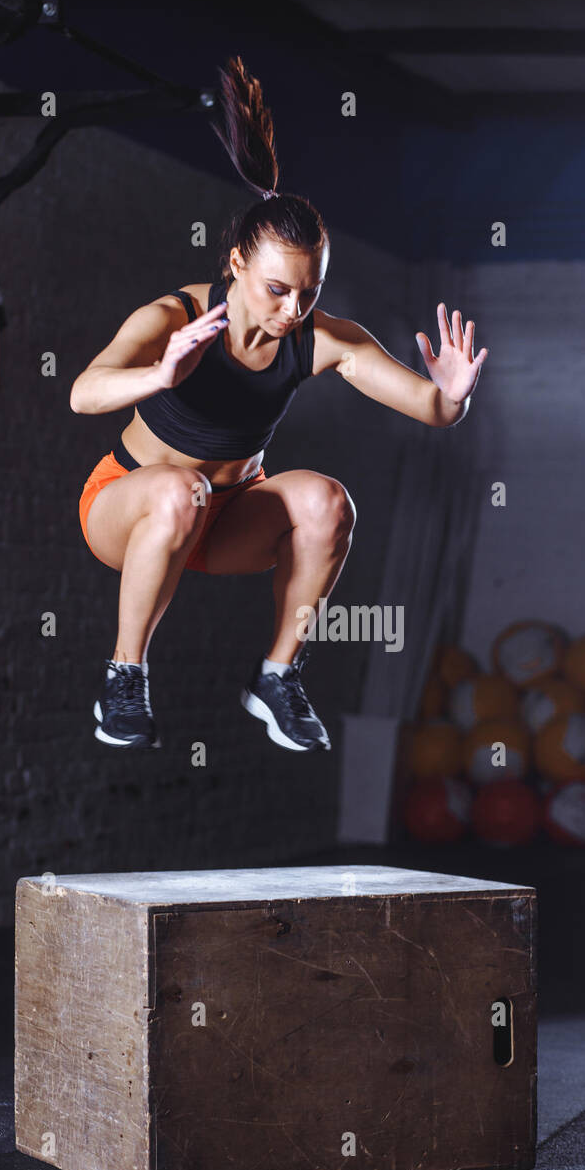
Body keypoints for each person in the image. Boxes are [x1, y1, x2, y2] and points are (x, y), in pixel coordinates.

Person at [72, 56, 488, 752]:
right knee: (181, 490)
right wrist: (160, 374)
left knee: (328, 502)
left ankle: (277, 677)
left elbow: (432, 413)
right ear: (235, 263)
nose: (293, 309)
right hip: (127, 507)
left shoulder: (322, 339)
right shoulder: (173, 316)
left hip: (226, 517)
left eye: (309, 291)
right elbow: (84, 393)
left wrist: (451, 396)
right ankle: (123, 678)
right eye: (276, 289)